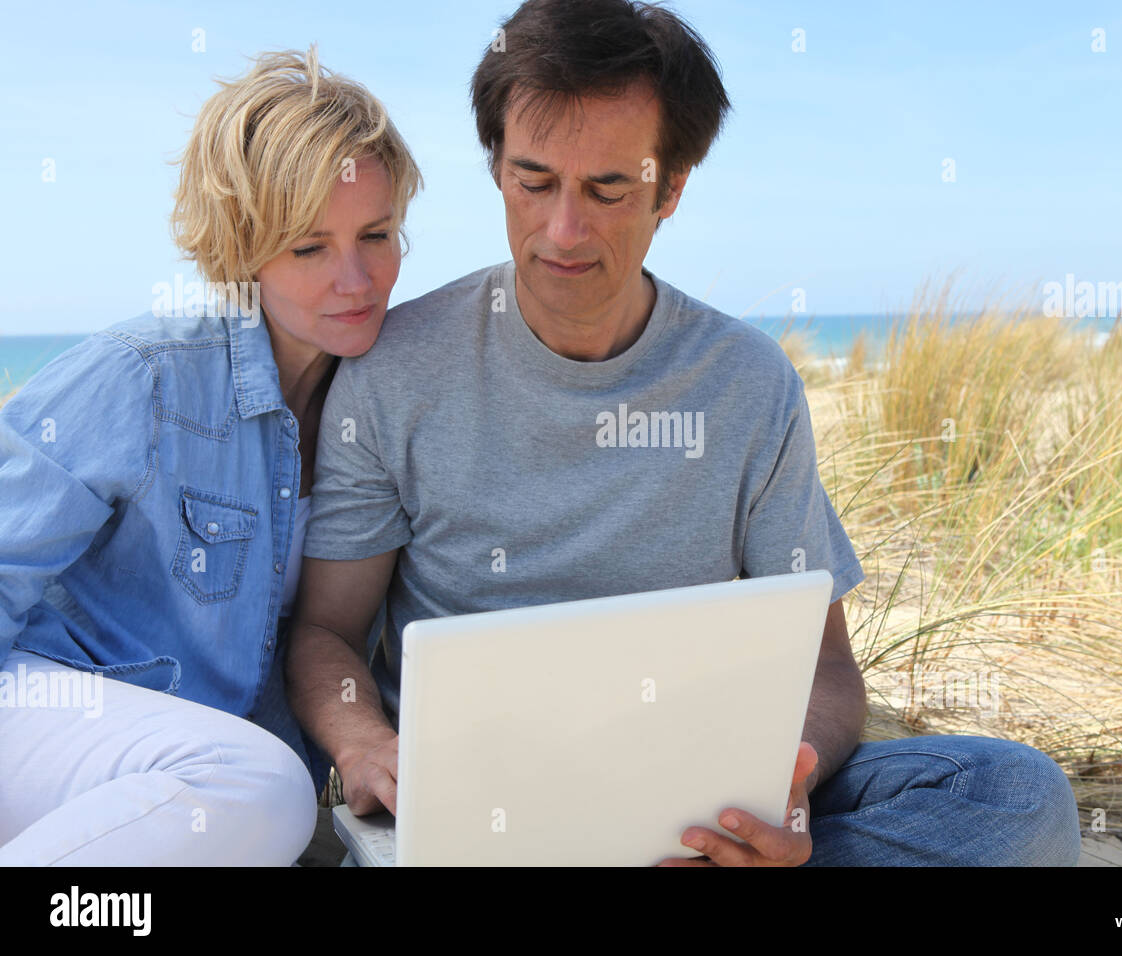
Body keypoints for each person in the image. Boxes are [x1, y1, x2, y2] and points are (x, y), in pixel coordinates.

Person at [286, 0, 1081, 866]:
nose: (562, 231)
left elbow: (826, 669)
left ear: (672, 188)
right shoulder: (395, 370)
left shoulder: (748, 383)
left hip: (695, 815)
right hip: (488, 823)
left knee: (1013, 797)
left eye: (608, 188)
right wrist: (362, 740)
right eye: (534, 180)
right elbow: (326, 633)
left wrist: (784, 786)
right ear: (496, 169)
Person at [0, 47, 422, 865]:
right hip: (45, 716)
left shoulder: (378, 405)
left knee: (274, 801)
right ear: (242, 250)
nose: (356, 278)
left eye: (375, 235)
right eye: (308, 248)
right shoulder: (146, 376)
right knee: (259, 785)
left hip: (187, 786)